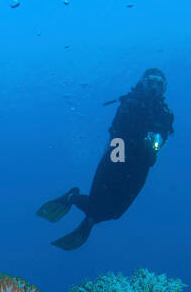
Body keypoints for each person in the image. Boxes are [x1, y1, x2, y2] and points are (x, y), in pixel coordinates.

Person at [38, 68, 174, 250]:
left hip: (141, 165)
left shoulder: (165, 113)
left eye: (159, 83)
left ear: (164, 88)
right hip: (117, 156)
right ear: (143, 83)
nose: (154, 87)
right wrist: (117, 159)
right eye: (151, 82)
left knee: (116, 212)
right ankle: (76, 201)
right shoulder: (130, 102)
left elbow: (162, 139)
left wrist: (152, 147)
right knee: (98, 200)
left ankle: (90, 218)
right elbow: (118, 131)